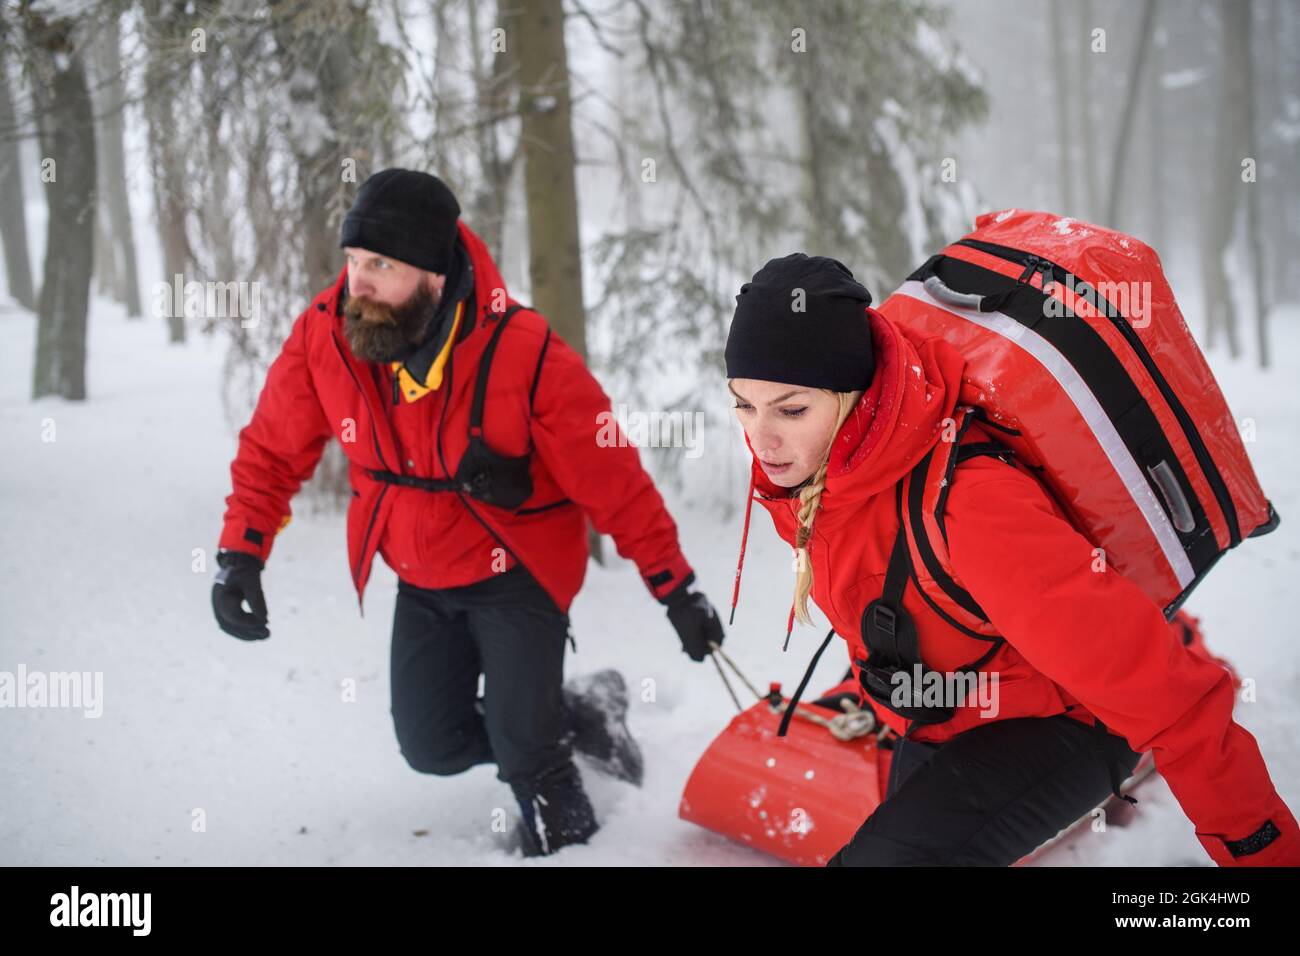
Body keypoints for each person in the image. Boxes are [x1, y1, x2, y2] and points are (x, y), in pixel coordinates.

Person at [723, 252, 1299, 866]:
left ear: (856, 396)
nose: (762, 439)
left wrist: (1262, 851)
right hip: (946, 715)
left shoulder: (972, 506)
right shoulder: (823, 480)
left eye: (790, 409)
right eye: (742, 404)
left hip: (1064, 724)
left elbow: (1160, 691)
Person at [212, 168, 724, 856]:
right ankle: (581, 709)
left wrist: (676, 589)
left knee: (527, 754)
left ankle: (566, 823)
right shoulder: (328, 336)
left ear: (432, 274)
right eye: (354, 262)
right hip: (420, 573)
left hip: (518, 568)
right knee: (431, 745)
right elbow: (273, 450)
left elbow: (614, 481)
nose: (356, 285)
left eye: (381, 266)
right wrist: (241, 553)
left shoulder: (526, 352)